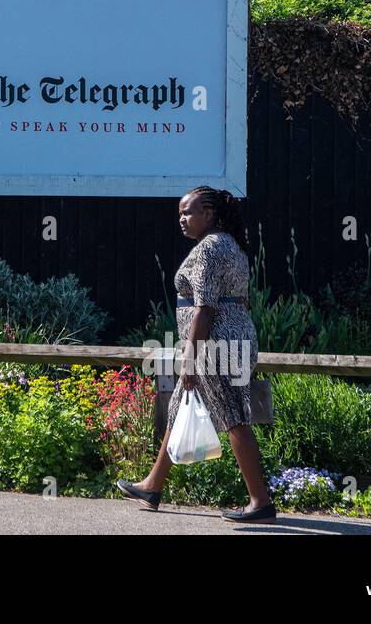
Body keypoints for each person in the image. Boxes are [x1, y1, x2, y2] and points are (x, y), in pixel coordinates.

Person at [116, 186, 275, 524]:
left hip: (216, 345)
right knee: (178, 409)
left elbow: (204, 309)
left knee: (233, 416)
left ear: (209, 213)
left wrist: (189, 359)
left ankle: (260, 502)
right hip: (231, 338)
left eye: (188, 212)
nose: (182, 220)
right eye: (179, 214)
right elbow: (240, 301)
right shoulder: (232, 245)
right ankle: (152, 486)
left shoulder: (208, 249)